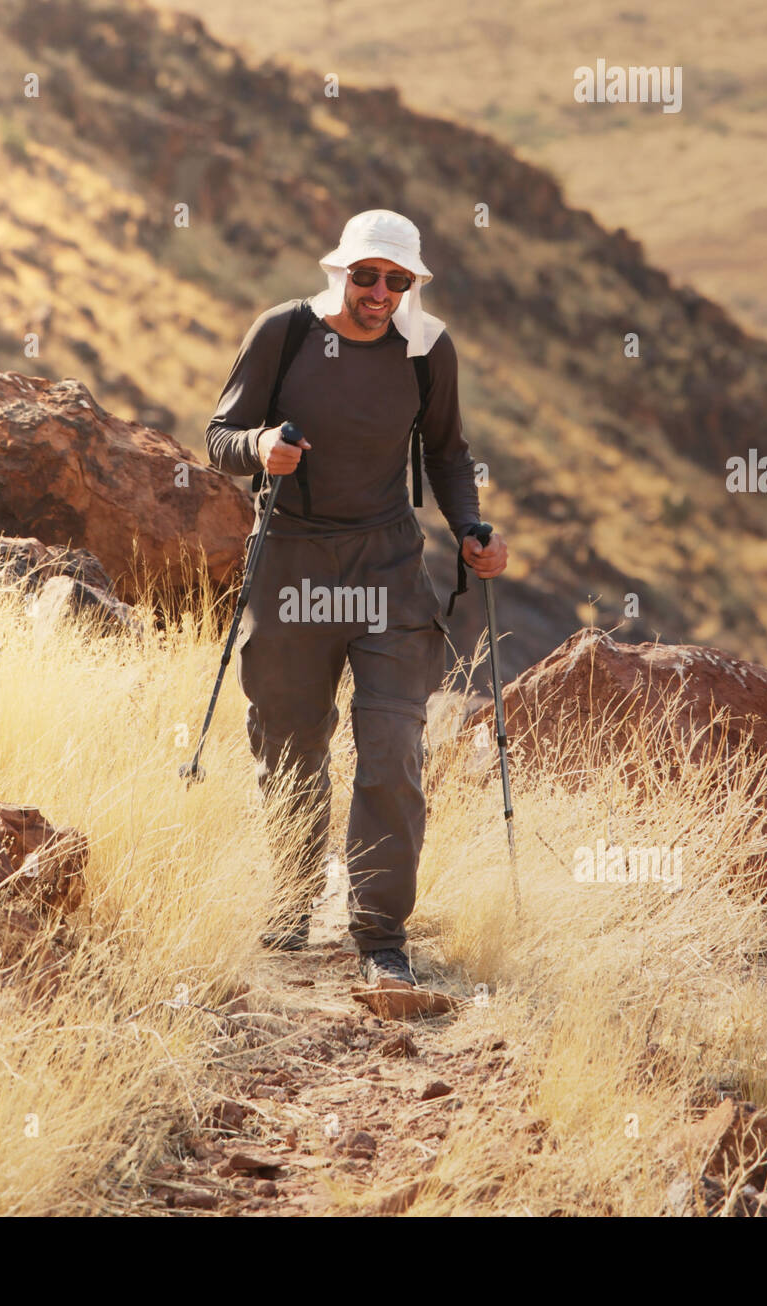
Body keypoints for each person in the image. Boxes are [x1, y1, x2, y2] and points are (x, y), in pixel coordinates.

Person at [205, 209, 508, 988]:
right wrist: (259, 448)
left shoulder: (427, 349)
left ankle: (380, 937)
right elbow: (220, 436)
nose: (379, 292)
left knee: (392, 746)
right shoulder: (284, 333)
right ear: (340, 270)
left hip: (387, 567)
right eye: (366, 275)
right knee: (290, 743)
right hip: (292, 561)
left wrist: (470, 528)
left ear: (411, 284)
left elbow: (447, 454)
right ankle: (291, 901)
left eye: (396, 280)